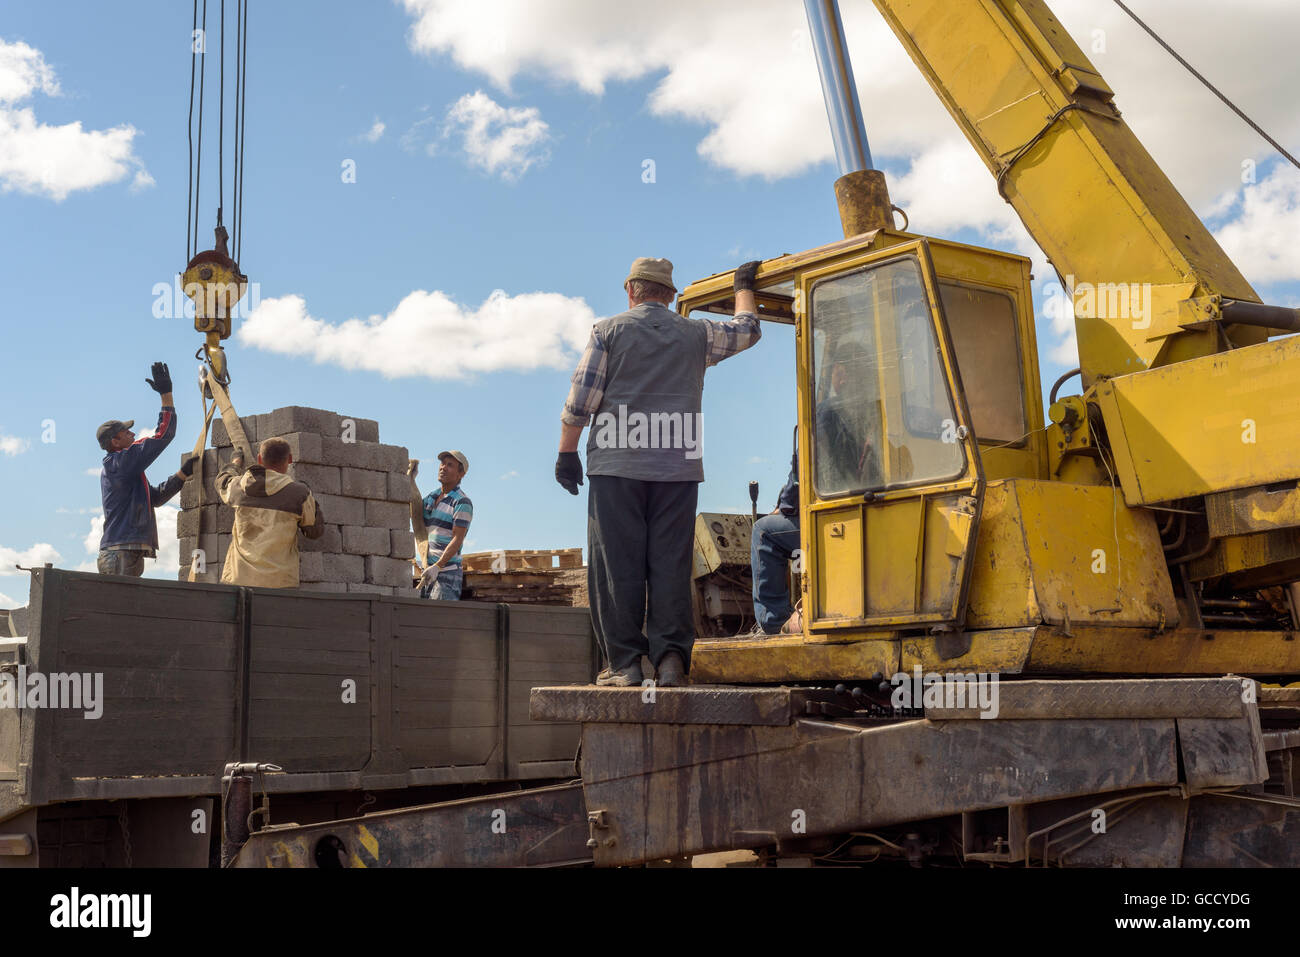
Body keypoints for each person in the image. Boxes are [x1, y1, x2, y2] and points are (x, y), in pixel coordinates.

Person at [555, 257, 763, 687]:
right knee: (669, 565)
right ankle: (670, 662)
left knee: (617, 565)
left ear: (630, 288)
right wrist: (744, 285)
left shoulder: (608, 331)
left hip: (617, 468)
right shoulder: (697, 334)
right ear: (670, 295)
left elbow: (581, 400)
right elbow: (748, 330)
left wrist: (566, 452)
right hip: (677, 470)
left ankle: (626, 666)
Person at [96, 362, 196, 577]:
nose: (133, 435)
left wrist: (182, 474)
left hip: (123, 553)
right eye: (127, 433)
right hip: (120, 553)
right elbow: (163, 436)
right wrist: (166, 395)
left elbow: (155, 499)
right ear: (115, 441)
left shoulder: (123, 468)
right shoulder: (120, 463)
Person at [216, 437, 325, 587]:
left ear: (260, 459)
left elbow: (222, 481)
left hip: (239, 580)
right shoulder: (300, 494)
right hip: (280, 583)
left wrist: (235, 463)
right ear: (290, 459)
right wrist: (310, 498)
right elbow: (314, 531)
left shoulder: (239, 487)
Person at [751, 426, 802, 635]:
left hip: (836, 521)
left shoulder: (825, 418)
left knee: (763, 531)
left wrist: (784, 506)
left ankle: (774, 622)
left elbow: (799, 476)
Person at [413, 451, 473, 600]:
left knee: (438, 618)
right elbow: (414, 512)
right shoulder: (431, 498)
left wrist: (438, 566)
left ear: (461, 474)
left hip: (447, 574)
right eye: (442, 463)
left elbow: (457, 539)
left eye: (450, 465)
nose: (443, 468)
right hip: (427, 571)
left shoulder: (461, 502)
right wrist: (410, 481)